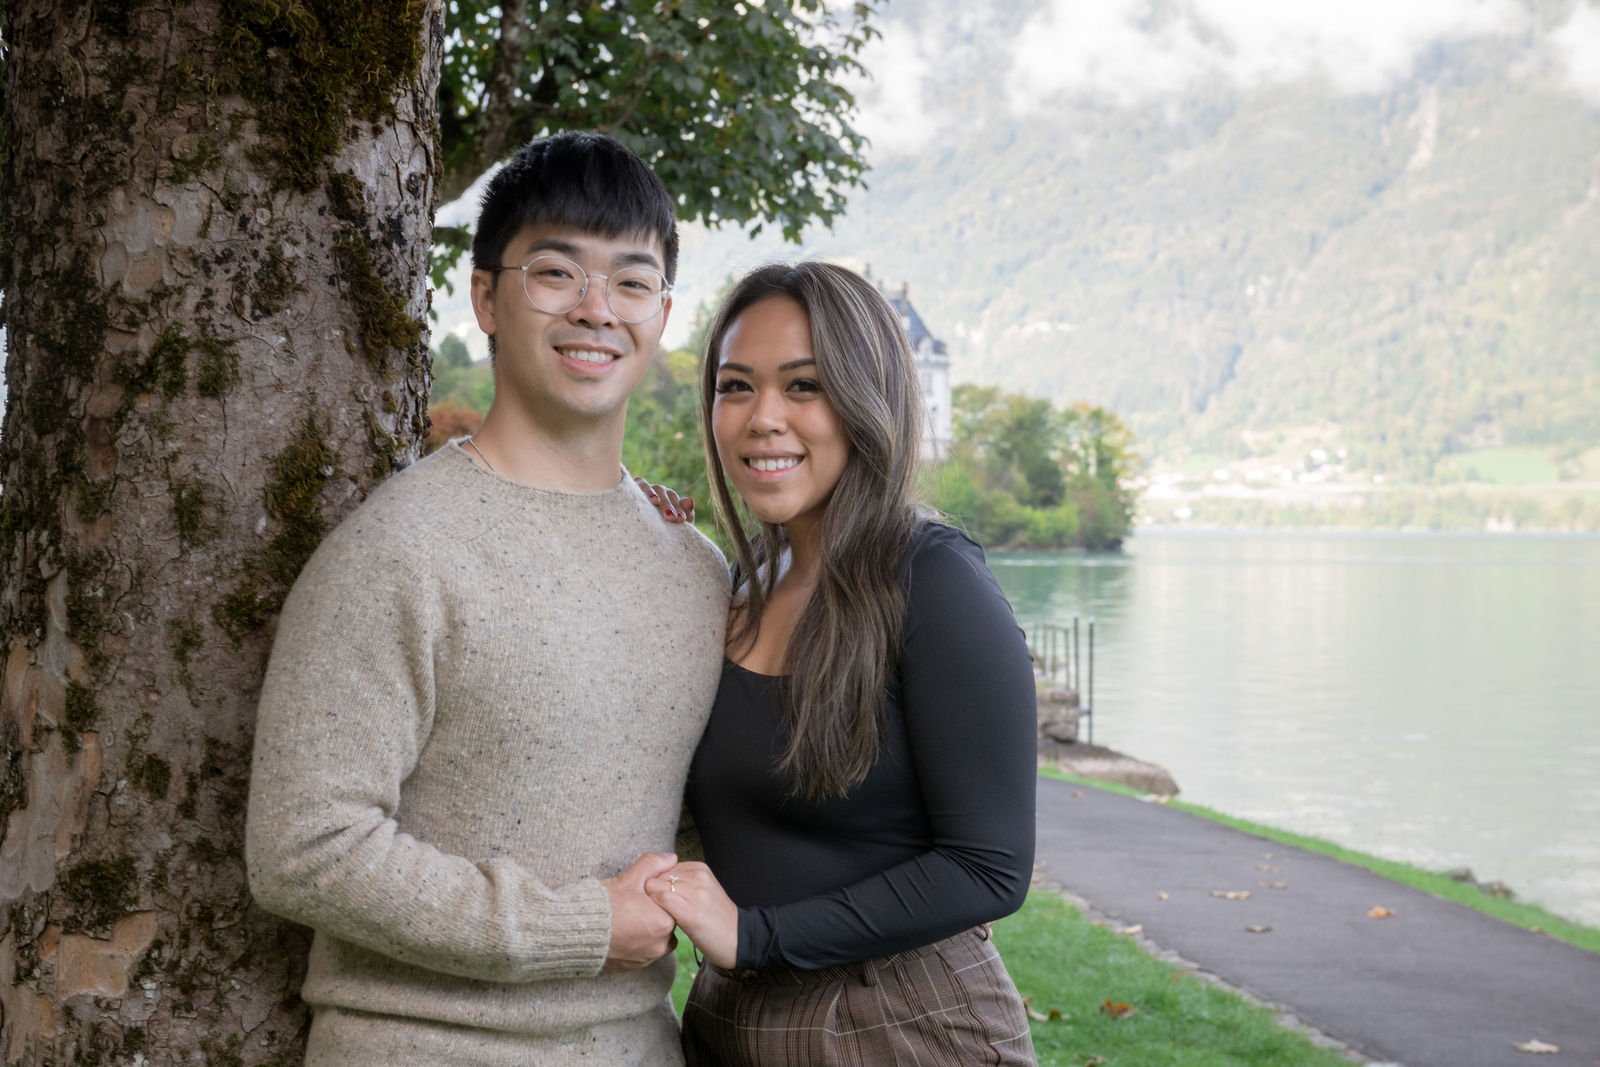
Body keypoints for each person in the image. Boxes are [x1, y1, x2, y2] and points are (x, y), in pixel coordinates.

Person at [244, 131, 729, 1065]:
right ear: (485, 298)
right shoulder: (400, 549)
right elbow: (302, 846)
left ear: (663, 313)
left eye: (631, 282)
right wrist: (577, 927)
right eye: (556, 272)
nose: (597, 309)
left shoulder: (695, 570)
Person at [639, 261, 1039, 1065]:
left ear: (866, 400)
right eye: (736, 386)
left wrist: (757, 934)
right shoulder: (739, 582)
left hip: (901, 1023)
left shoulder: (932, 582)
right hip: (733, 1018)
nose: (763, 419)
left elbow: (990, 867)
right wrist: (631, 542)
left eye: (804, 386)